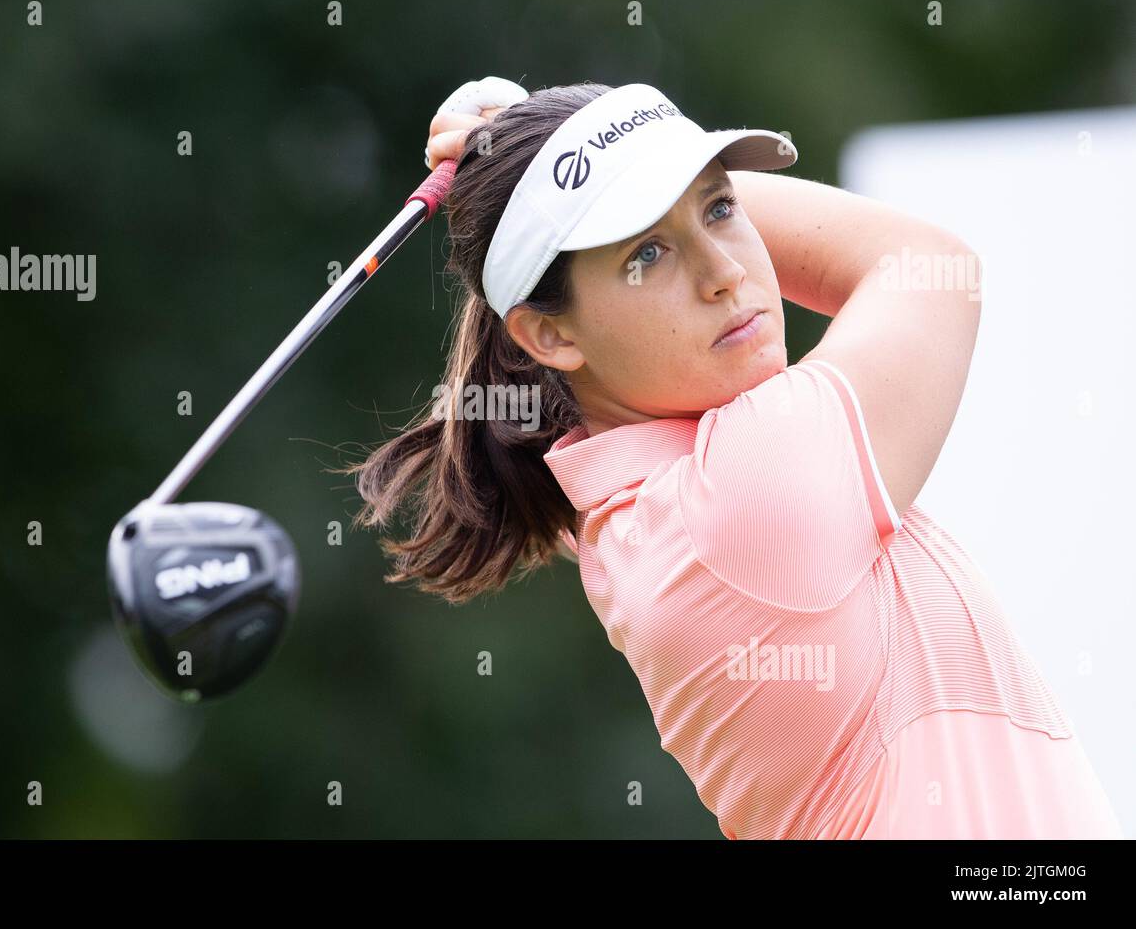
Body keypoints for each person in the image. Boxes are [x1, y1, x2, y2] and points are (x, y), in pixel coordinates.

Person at [344, 78, 1124, 839]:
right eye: (648, 253)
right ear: (549, 335)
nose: (726, 273)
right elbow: (926, 262)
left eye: (721, 207)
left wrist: (550, 157)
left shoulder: (636, 506)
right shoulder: (746, 490)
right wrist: (557, 159)